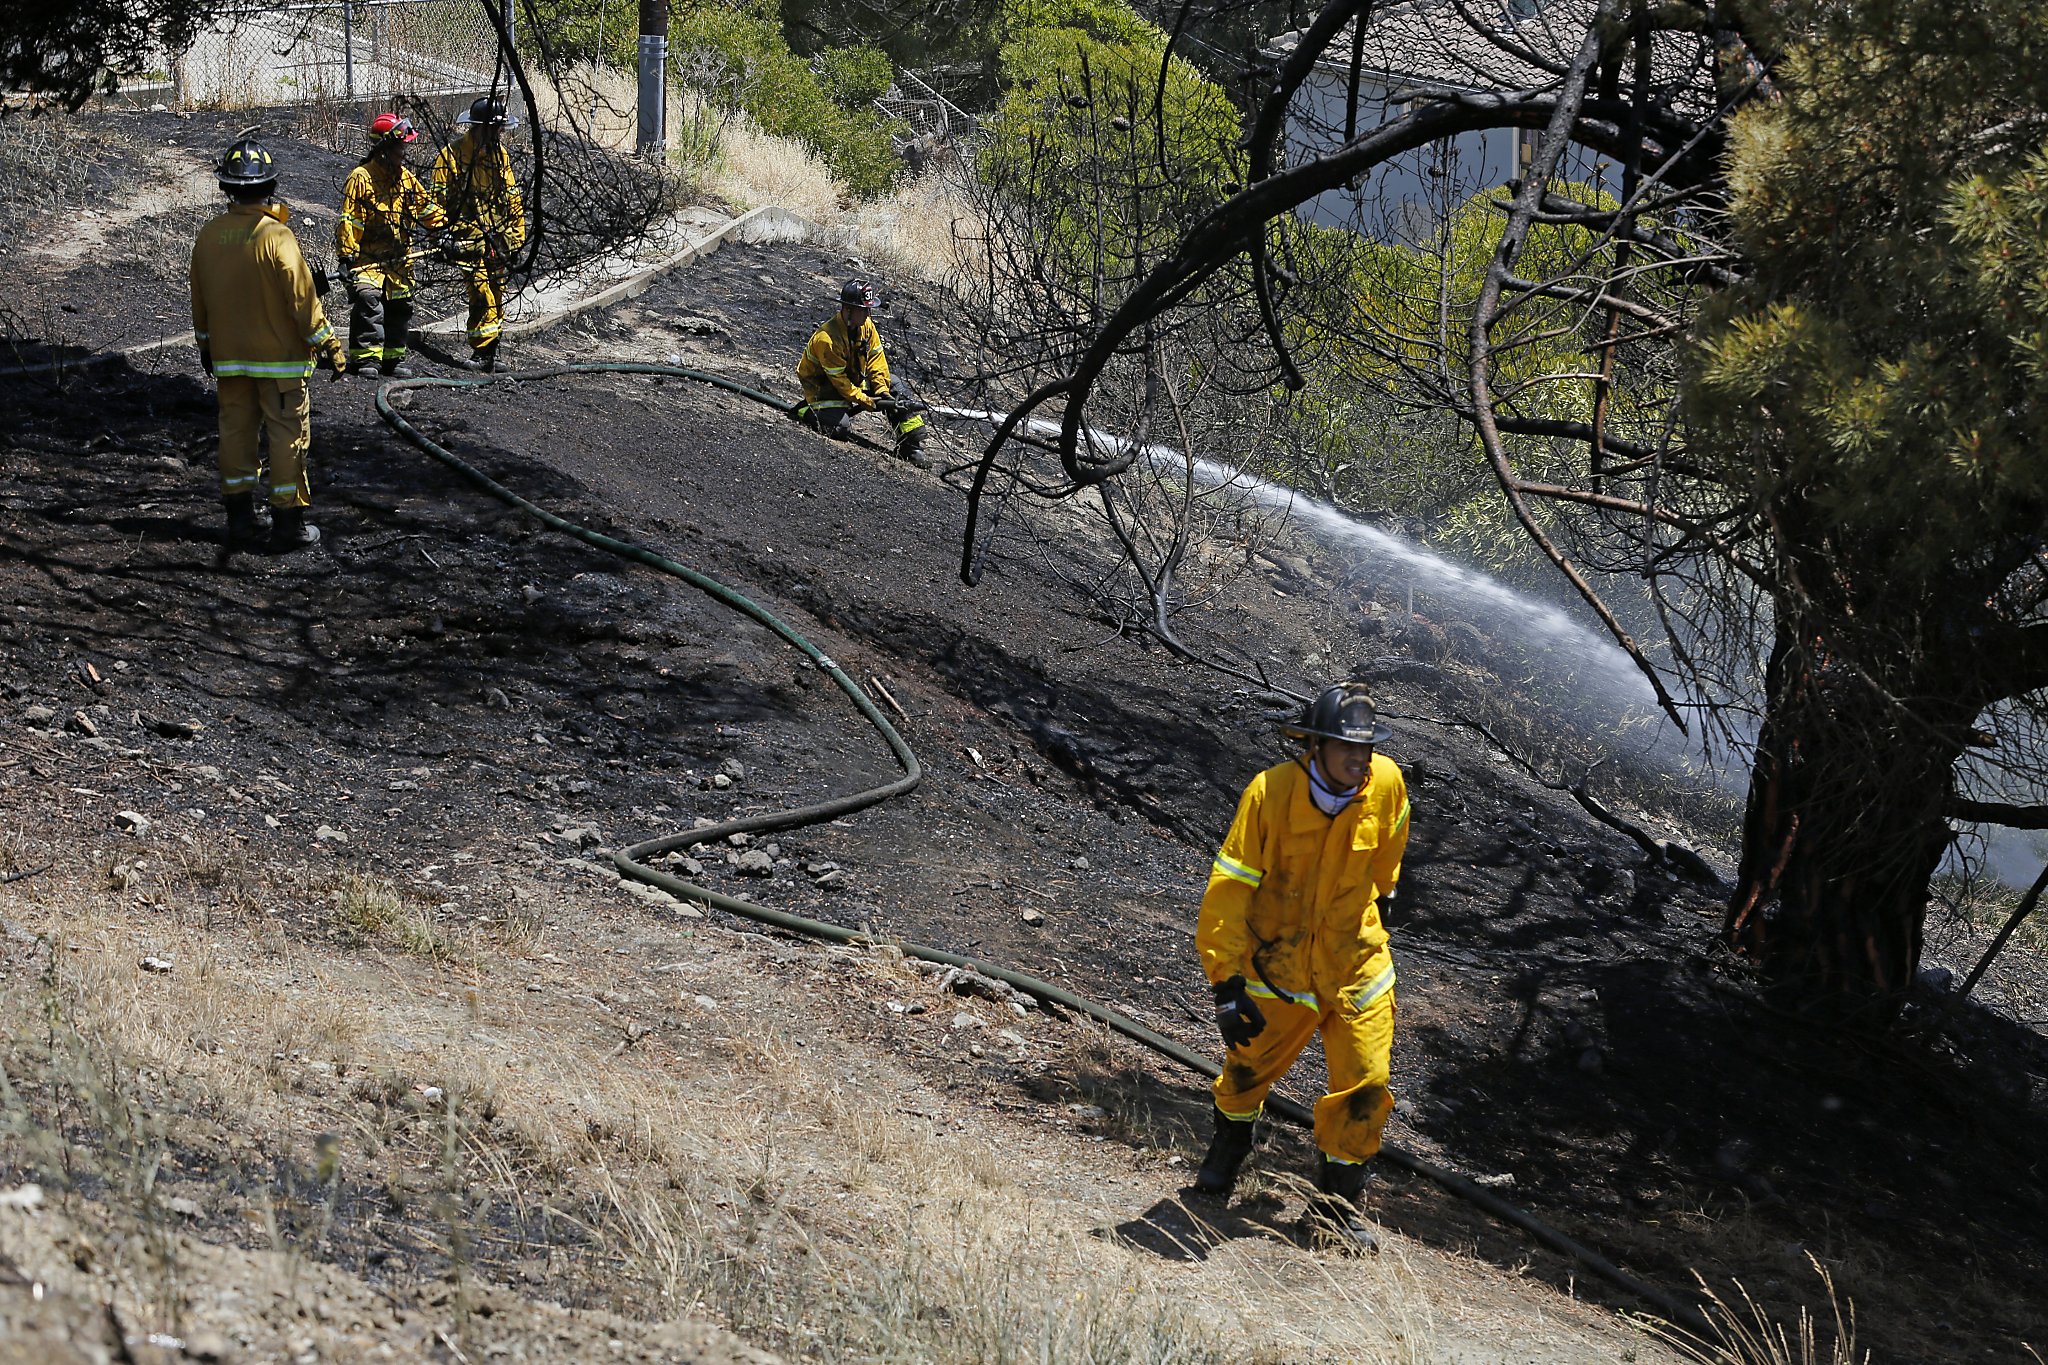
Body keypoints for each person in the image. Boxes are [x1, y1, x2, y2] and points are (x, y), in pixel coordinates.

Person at [1192, 681, 1411, 1252]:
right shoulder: (1270, 795)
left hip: (1356, 968)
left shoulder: (1386, 783)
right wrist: (1227, 981)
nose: (1359, 760)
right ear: (1315, 746)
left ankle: (1336, 1208)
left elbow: (1390, 847)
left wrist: (1383, 897)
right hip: (1279, 973)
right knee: (1244, 1075)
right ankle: (1227, 1152)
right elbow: (1231, 887)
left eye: (1366, 748)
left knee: (1368, 1085)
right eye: (1346, 747)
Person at [188, 134, 347, 554]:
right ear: (269, 187)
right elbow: (302, 301)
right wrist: (329, 345)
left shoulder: (208, 237)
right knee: (286, 438)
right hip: (279, 364)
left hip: (228, 361)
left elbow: (199, 303)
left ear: (227, 188)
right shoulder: (278, 238)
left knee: (235, 435)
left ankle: (240, 520)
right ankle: (287, 525)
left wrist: (207, 347)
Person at [336, 111, 446, 377]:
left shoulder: (405, 178)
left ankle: (392, 359)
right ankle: (365, 360)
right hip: (367, 260)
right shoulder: (361, 178)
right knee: (369, 299)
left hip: (398, 260)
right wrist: (346, 257)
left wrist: (443, 230)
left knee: (401, 305)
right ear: (384, 148)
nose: (404, 151)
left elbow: (425, 208)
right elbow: (350, 220)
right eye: (400, 146)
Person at [432, 95, 525, 373]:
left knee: (497, 292)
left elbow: (512, 199)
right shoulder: (450, 157)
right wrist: (443, 236)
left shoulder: (500, 156)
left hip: (499, 239)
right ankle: (482, 351)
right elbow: (436, 204)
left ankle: (491, 351)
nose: (500, 135)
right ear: (480, 128)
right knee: (480, 291)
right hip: (467, 239)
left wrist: (515, 237)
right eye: (496, 130)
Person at [794, 279, 928, 461]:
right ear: (848, 309)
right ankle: (806, 411)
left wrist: (882, 391)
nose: (868, 314)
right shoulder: (827, 339)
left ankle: (910, 446)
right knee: (840, 428)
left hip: (852, 379)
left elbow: (877, 361)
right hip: (824, 387)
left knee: (894, 383)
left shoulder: (867, 327)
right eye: (863, 309)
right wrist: (867, 401)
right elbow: (840, 382)